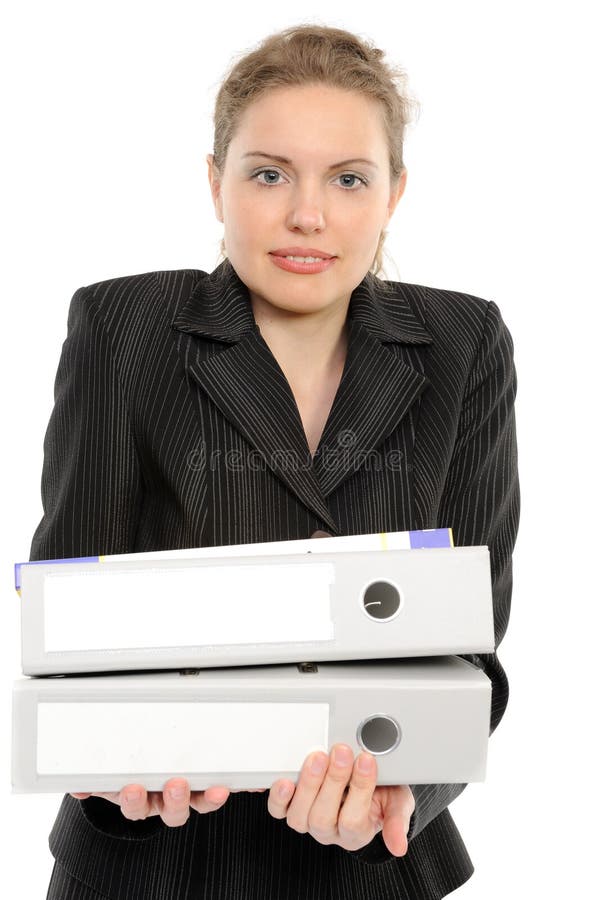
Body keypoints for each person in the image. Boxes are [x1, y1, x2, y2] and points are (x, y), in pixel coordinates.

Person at [30, 23, 520, 900]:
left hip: (373, 872)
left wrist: (405, 791)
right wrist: (107, 771)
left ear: (393, 193)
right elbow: (65, 617)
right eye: (267, 174)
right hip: (158, 867)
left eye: (348, 178)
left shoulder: (462, 342)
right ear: (214, 181)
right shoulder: (123, 328)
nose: (308, 215)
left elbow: (473, 647)